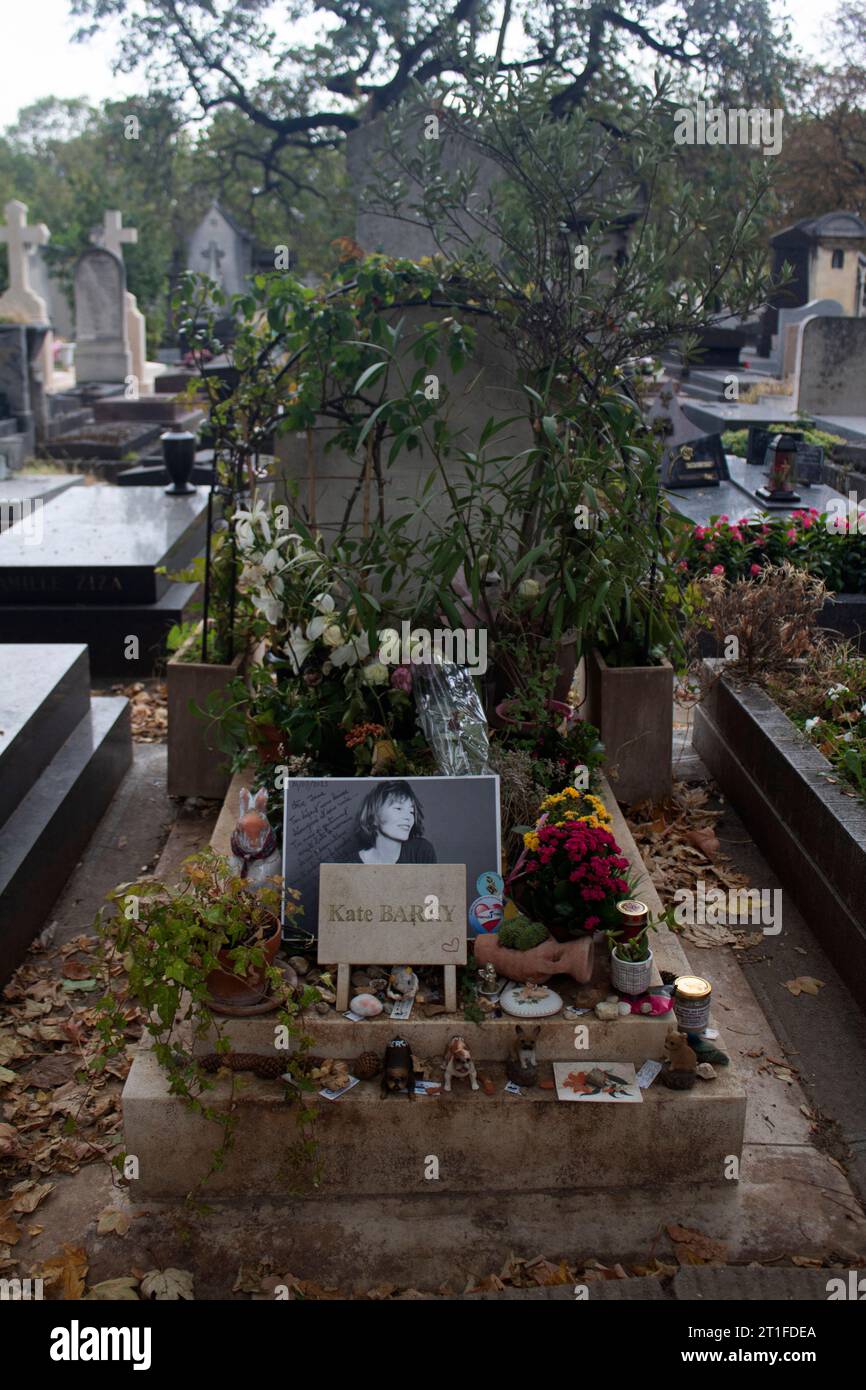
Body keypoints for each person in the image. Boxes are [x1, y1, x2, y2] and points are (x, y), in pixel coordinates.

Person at [355, 781, 437, 864]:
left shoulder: (421, 851)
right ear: (374, 817)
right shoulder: (349, 863)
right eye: (398, 808)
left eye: (411, 812)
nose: (408, 817)